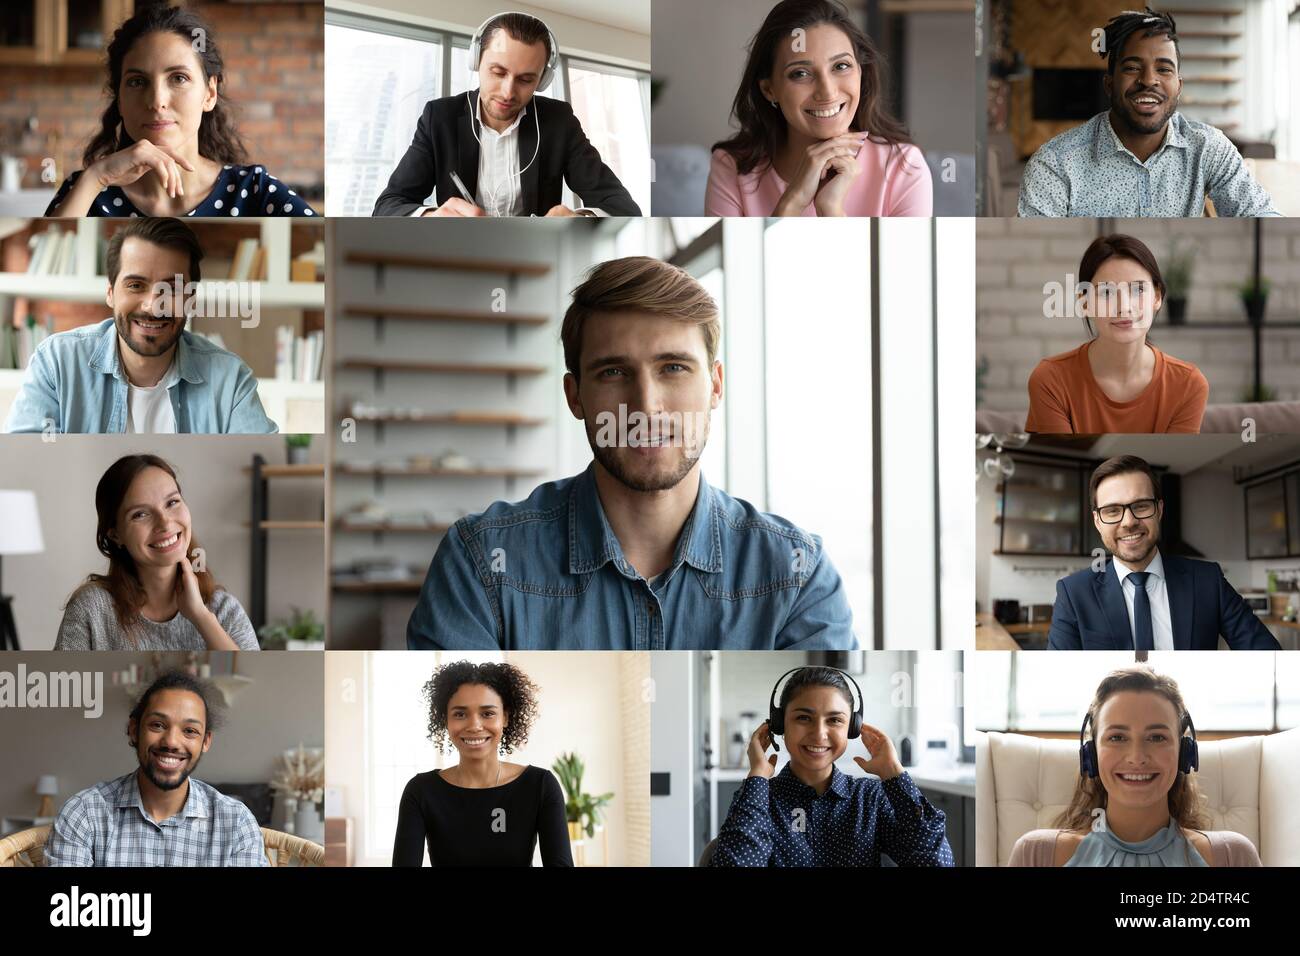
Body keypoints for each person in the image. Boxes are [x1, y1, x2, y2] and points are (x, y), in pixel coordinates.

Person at [406, 255, 856, 650]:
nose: (646, 405)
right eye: (614, 371)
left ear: (715, 384)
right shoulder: (480, 561)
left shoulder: (799, 576)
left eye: (674, 368)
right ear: (575, 395)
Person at [4, 217, 277, 434]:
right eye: (136, 285)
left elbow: (260, 464)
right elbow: (23, 466)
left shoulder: (229, 380)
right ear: (110, 292)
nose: (151, 305)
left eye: (171, 289)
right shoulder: (56, 363)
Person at [45, 5, 315, 218]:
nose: (156, 101)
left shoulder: (256, 191)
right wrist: (97, 177)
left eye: (178, 78)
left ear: (209, 93)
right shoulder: (87, 190)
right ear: (119, 100)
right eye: (137, 82)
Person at [372, 12, 639, 217]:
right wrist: (431, 215)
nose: (508, 92)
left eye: (525, 79)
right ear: (477, 62)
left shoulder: (559, 122)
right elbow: (388, 205)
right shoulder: (438, 117)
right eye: (498, 72)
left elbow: (621, 205)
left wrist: (581, 219)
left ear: (542, 80)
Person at [1018, 7, 1277, 217]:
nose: (1148, 80)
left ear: (1179, 86)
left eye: (1164, 69)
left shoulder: (1209, 148)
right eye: (1132, 67)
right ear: (1109, 84)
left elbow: (1263, 219)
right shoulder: (1055, 164)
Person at [1009, 666, 1261, 866]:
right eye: (1117, 737)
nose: (1137, 757)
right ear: (1091, 754)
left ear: (1184, 753)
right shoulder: (1036, 855)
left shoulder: (1232, 856)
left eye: (1157, 737)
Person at [705, 0, 931, 217]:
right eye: (800, 73)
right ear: (769, 89)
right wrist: (793, 200)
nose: (828, 92)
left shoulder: (904, 167)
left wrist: (830, 209)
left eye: (841, 66)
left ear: (861, 72)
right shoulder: (731, 167)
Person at [709, 666, 952, 867]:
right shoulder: (759, 798)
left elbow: (935, 862)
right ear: (780, 724)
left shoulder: (870, 799)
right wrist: (757, 778)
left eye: (835, 720)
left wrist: (894, 775)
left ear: (852, 728)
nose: (819, 734)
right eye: (804, 718)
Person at [1048, 455, 1281, 650]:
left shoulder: (1208, 581)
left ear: (1159, 509)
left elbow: (1269, 656)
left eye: (1141, 506)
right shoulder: (1073, 593)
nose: (1129, 522)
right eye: (1112, 511)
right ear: (1097, 521)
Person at [45, 670, 269, 866]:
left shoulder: (236, 821)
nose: (171, 742)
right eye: (157, 725)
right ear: (134, 730)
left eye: (190, 730)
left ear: (206, 741)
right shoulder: (84, 813)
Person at [55, 454, 259, 651]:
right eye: (140, 514)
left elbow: (253, 682)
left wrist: (200, 616)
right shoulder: (91, 609)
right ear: (116, 535)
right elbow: (64, 683)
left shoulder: (224, 610)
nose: (165, 523)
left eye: (172, 502)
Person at [392, 661, 573, 867]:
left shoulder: (540, 785)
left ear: (505, 717)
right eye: (460, 714)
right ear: (445, 720)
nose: (475, 726)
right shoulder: (420, 791)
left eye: (487, 713)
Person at [1026, 234, 1207, 434]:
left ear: (1157, 297)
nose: (1124, 307)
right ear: (1084, 303)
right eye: (1106, 293)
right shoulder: (1050, 380)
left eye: (1138, 289)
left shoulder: (1189, 384)